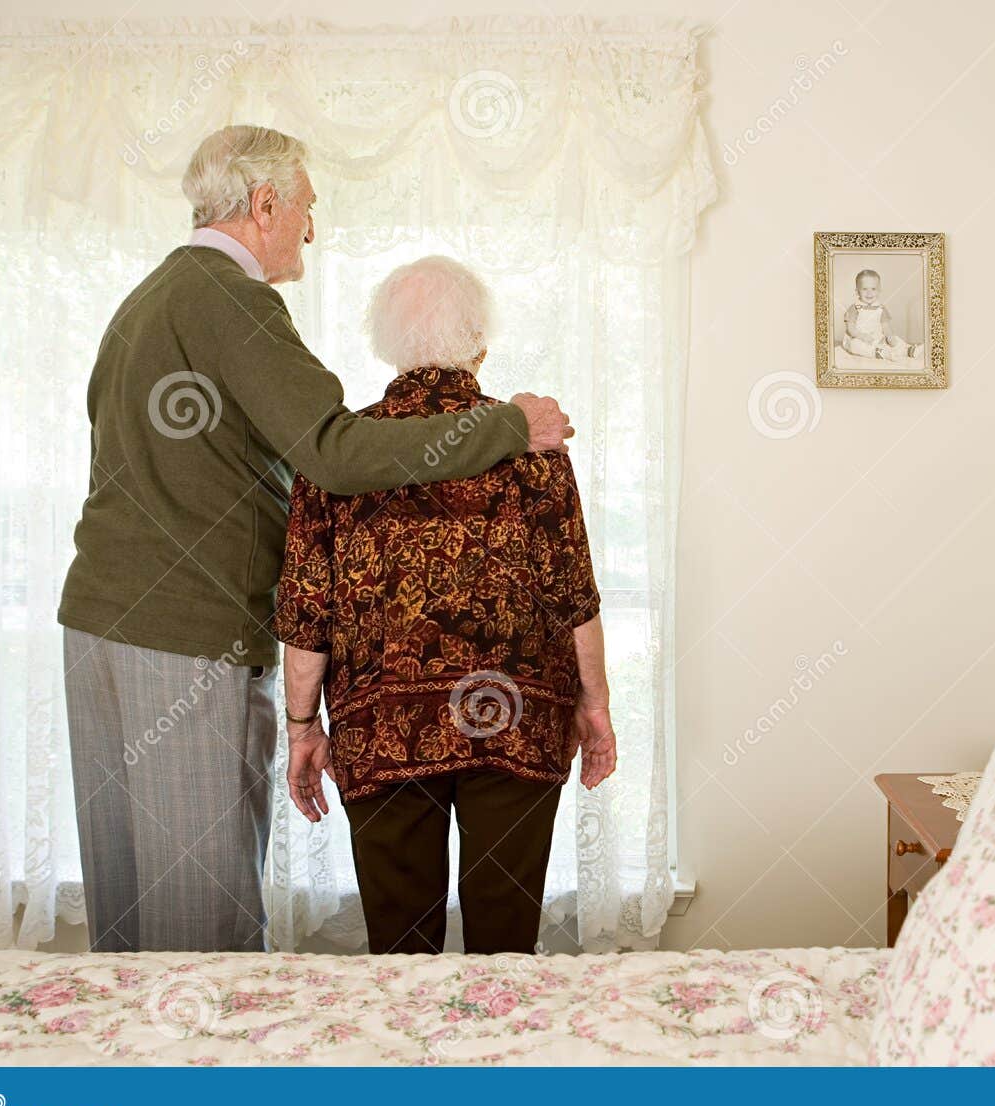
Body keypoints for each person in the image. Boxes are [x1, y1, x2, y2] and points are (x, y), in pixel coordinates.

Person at [57, 126, 573, 953]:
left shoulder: (149, 298)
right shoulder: (230, 297)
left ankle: (137, 1074)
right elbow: (336, 451)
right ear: (265, 205)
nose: (310, 228)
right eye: (306, 208)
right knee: (203, 920)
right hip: (180, 631)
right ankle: (204, 1080)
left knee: (127, 913)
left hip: (98, 620)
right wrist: (507, 424)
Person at [275, 255, 616, 955]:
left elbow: (306, 610)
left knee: (401, 954)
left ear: (387, 346)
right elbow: (572, 588)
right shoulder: (532, 442)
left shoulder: (339, 455)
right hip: (516, 721)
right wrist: (595, 704)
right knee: (504, 949)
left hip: (384, 723)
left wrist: (302, 725)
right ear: (479, 347)